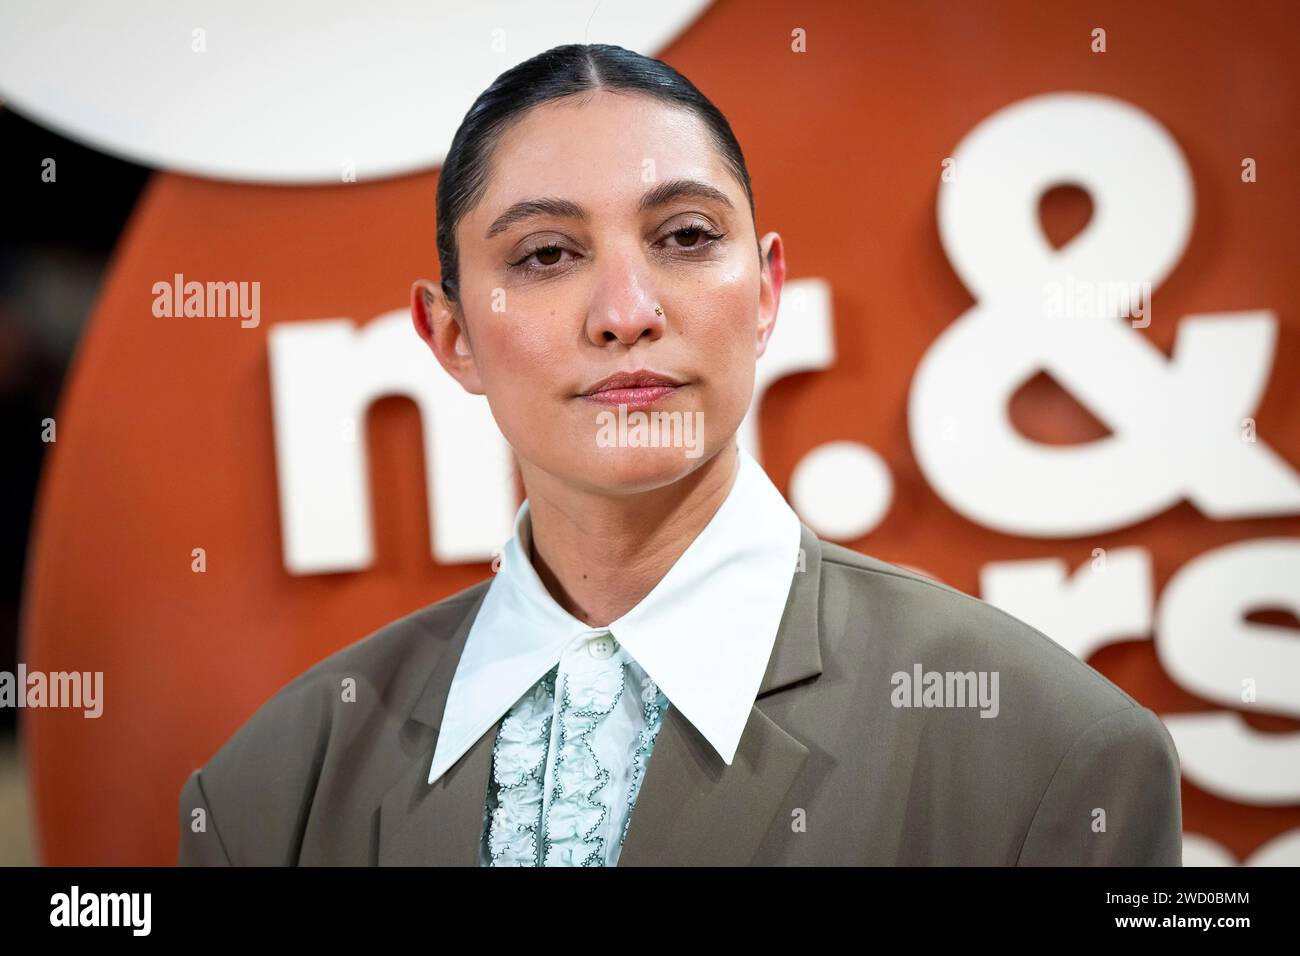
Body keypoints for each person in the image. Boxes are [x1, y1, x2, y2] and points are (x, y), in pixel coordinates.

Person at [178, 42, 1182, 866]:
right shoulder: (268, 799)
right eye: (544, 255)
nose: (626, 313)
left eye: (686, 236)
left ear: (765, 291)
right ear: (448, 337)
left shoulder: (1048, 752)